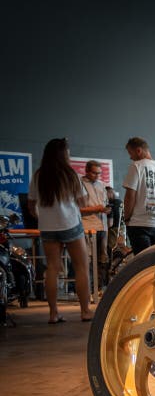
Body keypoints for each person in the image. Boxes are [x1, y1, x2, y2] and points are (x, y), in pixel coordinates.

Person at [27, 138, 93, 323]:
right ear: (64, 155)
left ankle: (53, 313)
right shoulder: (70, 175)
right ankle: (85, 311)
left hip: (47, 227)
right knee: (81, 267)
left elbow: (31, 205)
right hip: (71, 224)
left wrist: (41, 216)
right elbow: (83, 202)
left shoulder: (39, 175)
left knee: (53, 269)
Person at [80, 160, 110, 286]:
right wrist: (95, 209)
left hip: (102, 226)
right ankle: (89, 287)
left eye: (99, 173)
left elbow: (105, 204)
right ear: (86, 171)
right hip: (87, 226)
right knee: (88, 258)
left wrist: (107, 210)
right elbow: (75, 209)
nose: (97, 176)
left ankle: (100, 287)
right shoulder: (79, 184)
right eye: (94, 173)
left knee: (103, 257)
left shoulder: (102, 185)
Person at [105, 185, 122, 257]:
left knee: (110, 247)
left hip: (113, 230)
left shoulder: (111, 204)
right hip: (121, 229)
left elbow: (110, 224)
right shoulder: (120, 202)